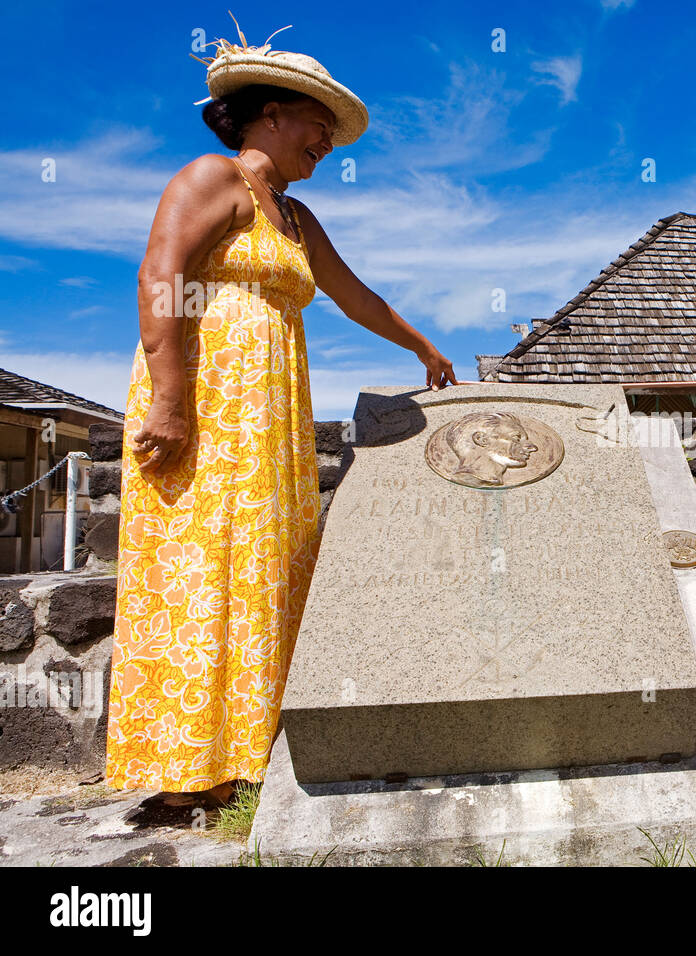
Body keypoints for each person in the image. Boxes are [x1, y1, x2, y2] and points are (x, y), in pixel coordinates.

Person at [106, 29, 457, 805]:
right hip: (202, 402)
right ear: (270, 113)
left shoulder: (294, 218)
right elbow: (158, 275)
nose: (326, 141)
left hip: (269, 416)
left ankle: (245, 758)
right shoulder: (213, 177)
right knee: (197, 566)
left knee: (263, 566)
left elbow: (355, 294)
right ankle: (181, 773)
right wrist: (169, 400)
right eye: (316, 124)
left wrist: (422, 347)